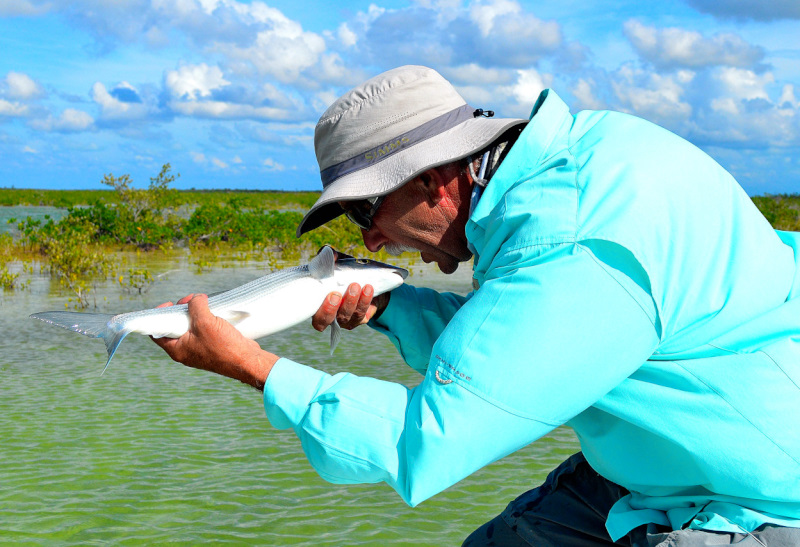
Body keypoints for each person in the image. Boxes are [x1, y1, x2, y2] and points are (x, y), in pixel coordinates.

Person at [153, 65, 800, 546]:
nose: (368, 239)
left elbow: (424, 443)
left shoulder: (572, 241)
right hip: (651, 469)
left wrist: (252, 366)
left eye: (364, 210)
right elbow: (514, 347)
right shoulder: (561, 175)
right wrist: (390, 305)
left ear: (432, 180)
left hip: (750, 499)